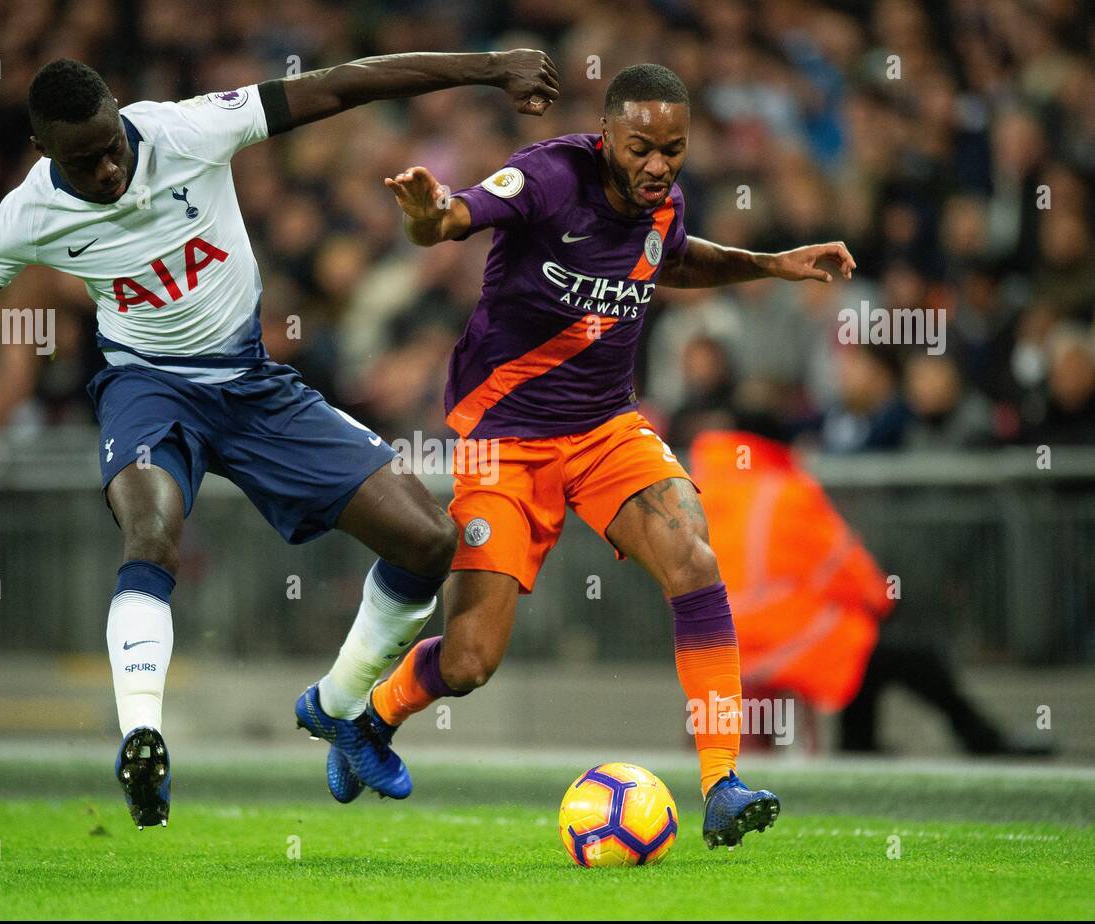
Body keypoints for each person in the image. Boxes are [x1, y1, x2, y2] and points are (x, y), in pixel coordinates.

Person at [0, 51, 562, 829]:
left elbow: (339, 84)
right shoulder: (30, 213)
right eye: (84, 161)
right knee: (151, 533)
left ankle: (339, 707)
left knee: (427, 541)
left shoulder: (188, 129)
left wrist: (490, 67)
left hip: (252, 386)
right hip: (148, 389)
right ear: (48, 155)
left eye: (110, 143)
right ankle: (143, 738)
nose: (109, 166)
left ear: (120, 110)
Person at [320, 63, 859, 850]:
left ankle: (721, 784)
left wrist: (769, 264)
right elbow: (456, 216)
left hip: (606, 428)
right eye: (641, 147)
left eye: (673, 149)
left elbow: (671, 257)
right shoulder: (548, 175)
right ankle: (370, 718)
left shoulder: (662, 201)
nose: (657, 165)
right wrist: (427, 214)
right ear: (607, 135)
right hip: (504, 439)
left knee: (693, 557)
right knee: (470, 661)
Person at [688, 415, 1043, 756]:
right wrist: (881, 601)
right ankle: (979, 739)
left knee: (863, 650)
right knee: (899, 653)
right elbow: (845, 565)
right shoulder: (787, 491)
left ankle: (862, 743)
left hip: (714, 639)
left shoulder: (704, 488)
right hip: (777, 637)